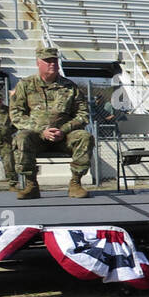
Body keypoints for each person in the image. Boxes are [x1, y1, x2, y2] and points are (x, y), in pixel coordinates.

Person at [9, 46, 94, 199]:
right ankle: (31, 185)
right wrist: (42, 130)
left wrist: (64, 129)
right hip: (37, 137)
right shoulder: (26, 85)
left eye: (54, 60)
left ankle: (75, 183)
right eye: (47, 61)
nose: (52, 64)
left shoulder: (70, 87)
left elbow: (83, 114)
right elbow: (16, 114)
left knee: (84, 137)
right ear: (38, 63)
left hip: (64, 137)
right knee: (21, 138)